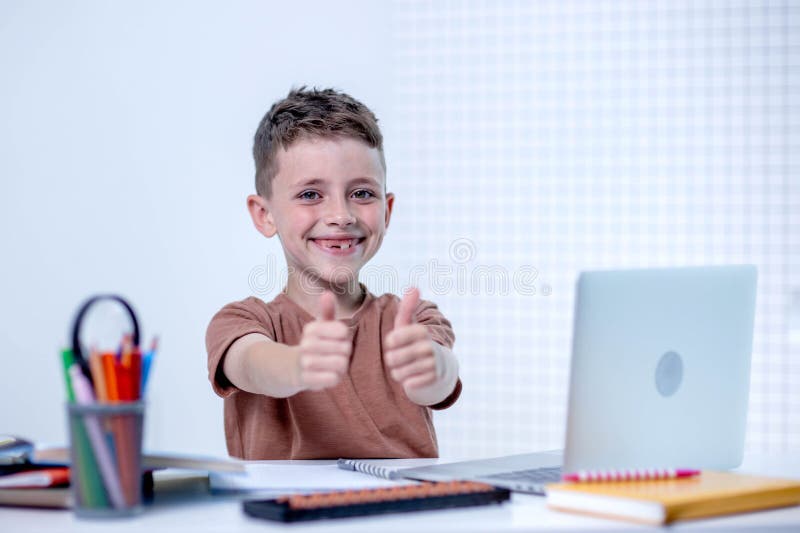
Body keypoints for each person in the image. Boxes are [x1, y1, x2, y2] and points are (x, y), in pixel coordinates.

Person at [206, 87, 461, 459]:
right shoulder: (242, 321)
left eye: (361, 193)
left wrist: (431, 367)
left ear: (387, 212)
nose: (341, 215)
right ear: (265, 215)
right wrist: (297, 364)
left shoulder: (412, 320)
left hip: (402, 514)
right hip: (290, 516)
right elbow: (250, 363)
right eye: (310, 195)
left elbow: (440, 380)